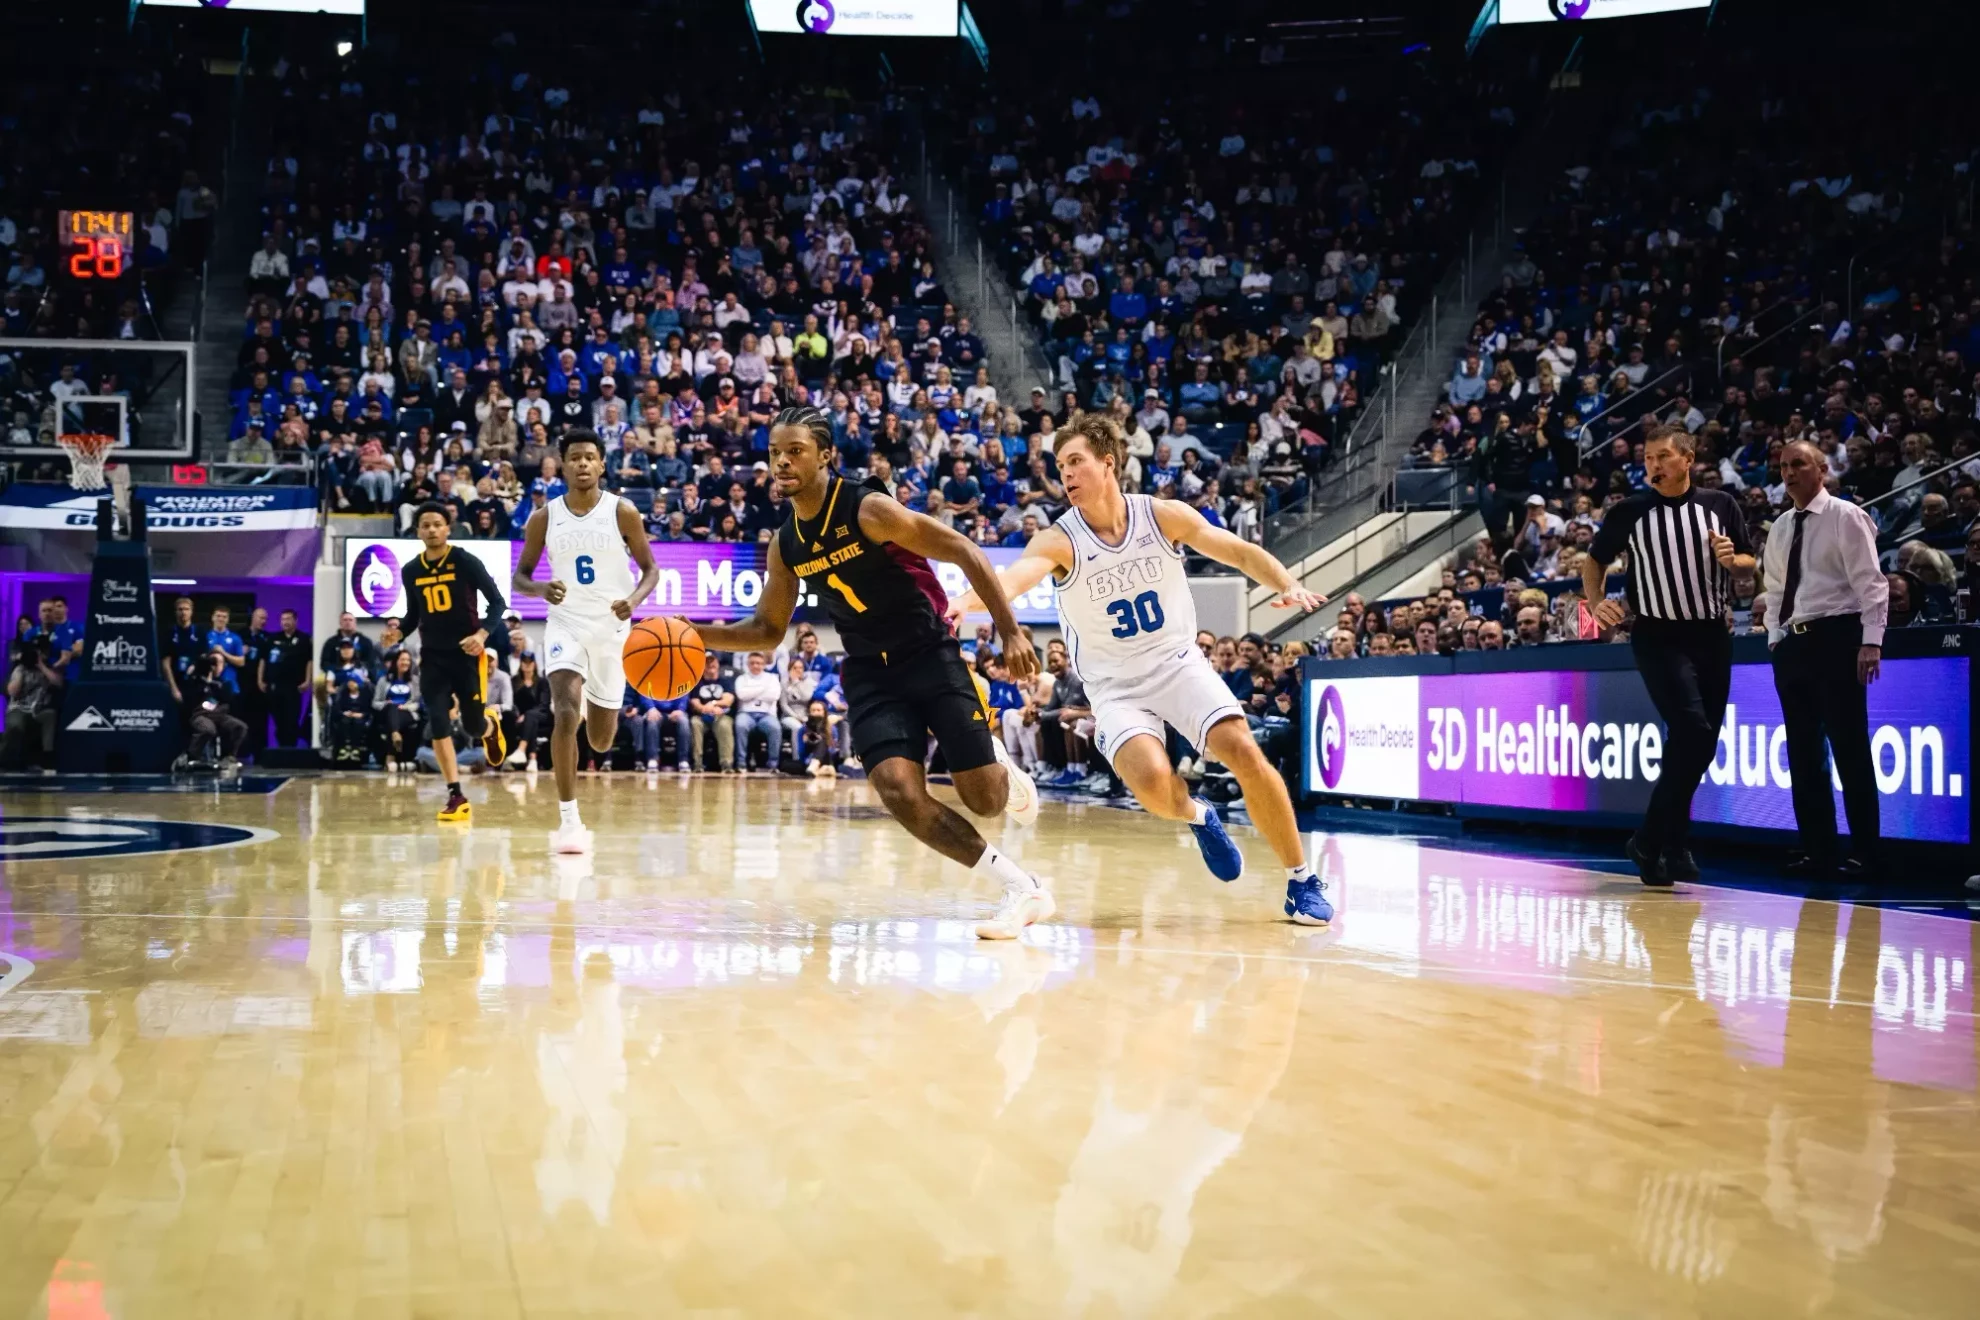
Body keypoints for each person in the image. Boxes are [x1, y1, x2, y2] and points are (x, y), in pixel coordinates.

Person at [948, 412, 1335, 924]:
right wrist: (959, 604)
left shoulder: (1161, 515)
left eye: (1076, 461)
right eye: (1060, 465)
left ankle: (1301, 880)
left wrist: (1285, 584)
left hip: (1177, 663)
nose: (1065, 474)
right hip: (1114, 688)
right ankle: (1199, 815)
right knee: (1154, 784)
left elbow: (1235, 550)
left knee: (1242, 746)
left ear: (1108, 464)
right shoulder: (1059, 539)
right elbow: (1013, 580)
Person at [680, 406, 1049, 940]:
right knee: (898, 790)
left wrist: (1012, 631)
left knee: (986, 801)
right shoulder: (785, 545)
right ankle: (1022, 888)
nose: (782, 462)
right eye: (775, 453)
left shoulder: (869, 508)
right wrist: (691, 631)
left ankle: (999, 766)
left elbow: (965, 550)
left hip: (929, 652)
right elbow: (765, 630)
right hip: (869, 672)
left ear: (826, 455)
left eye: (795, 451)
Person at [1581, 424, 1754, 885]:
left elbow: (1748, 564)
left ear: (1688, 459)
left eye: (1661, 457)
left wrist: (1732, 560)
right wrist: (1597, 602)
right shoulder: (1631, 511)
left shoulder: (1721, 505)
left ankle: (1669, 843)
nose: (1652, 466)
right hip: (1658, 636)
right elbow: (1593, 560)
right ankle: (1651, 839)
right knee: (1692, 731)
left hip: (1713, 635)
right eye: (1648, 459)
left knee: (1697, 744)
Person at [514, 429, 660, 850]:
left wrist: (633, 600)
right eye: (574, 457)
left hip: (612, 630)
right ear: (562, 464)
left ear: (601, 465)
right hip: (566, 624)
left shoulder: (624, 511)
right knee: (563, 713)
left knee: (600, 739)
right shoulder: (544, 517)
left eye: (589, 457)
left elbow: (651, 570)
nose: (582, 464)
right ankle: (569, 821)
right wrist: (541, 590)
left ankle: (588, 755)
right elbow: (520, 576)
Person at [1760, 441, 1889, 880]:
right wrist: (1776, 638)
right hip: (1793, 644)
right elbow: (1776, 589)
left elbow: (1872, 583)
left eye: (1798, 464)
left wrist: (1871, 641)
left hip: (1838, 638)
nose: (1789, 472)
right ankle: (1818, 850)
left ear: (1822, 469)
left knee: (1850, 749)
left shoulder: (1845, 515)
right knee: (1803, 754)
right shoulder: (1779, 526)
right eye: (1783, 466)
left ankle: (1867, 855)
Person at [400, 502, 510, 820]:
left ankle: (490, 727)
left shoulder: (463, 560)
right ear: (418, 531)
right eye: (425, 525)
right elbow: (413, 616)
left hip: (466, 656)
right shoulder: (411, 570)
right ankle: (456, 796)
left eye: (437, 524)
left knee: (473, 725)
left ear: (448, 528)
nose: (432, 529)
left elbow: (498, 603)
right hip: (433, 657)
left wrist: (482, 635)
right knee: (438, 721)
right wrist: (397, 631)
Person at [732, 650, 783, 771]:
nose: (756, 665)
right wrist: (763, 689)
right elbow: (741, 695)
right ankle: (741, 763)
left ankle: (773, 765)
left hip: (767, 715)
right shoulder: (741, 679)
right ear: (748, 664)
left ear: (764, 664)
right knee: (740, 725)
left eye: (759, 663)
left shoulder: (772, 678)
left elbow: (774, 696)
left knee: (775, 728)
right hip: (746, 714)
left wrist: (751, 691)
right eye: (753, 663)